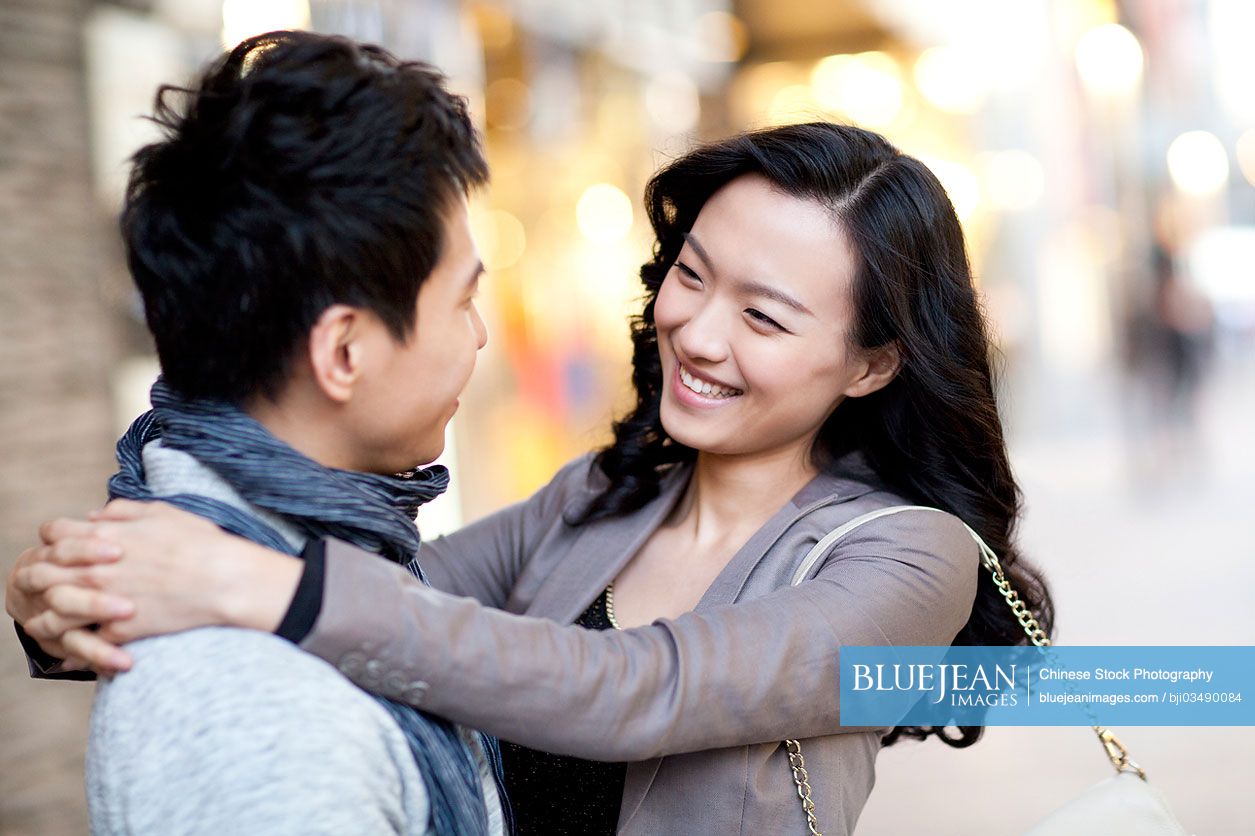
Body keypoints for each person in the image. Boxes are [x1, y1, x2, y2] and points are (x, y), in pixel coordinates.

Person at [10, 122, 1054, 835]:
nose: (694, 330)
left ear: (873, 362)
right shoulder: (605, 492)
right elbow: (387, 600)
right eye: (691, 274)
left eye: (764, 315)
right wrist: (98, 590)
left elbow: (638, 689)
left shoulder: (909, 557)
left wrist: (256, 586)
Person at [6, 31, 509, 835]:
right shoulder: (265, 706)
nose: (479, 336)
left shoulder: (300, 553)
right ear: (344, 351)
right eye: (462, 300)